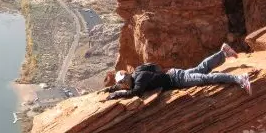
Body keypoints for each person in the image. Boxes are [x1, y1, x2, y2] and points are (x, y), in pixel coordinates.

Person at [103, 43, 251, 100]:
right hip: (174, 75)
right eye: (121, 84)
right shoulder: (132, 77)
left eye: (123, 82)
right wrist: (111, 89)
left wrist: (116, 95)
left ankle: (239, 79)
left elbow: (135, 92)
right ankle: (223, 52)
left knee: (205, 78)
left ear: (128, 76)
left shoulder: (139, 79)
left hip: (177, 79)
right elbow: (124, 86)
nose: (123, 85)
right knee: (201, 69)